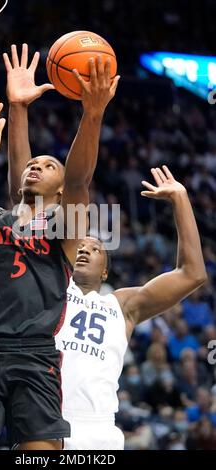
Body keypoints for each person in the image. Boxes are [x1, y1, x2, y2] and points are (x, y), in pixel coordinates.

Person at [0, 44, 119, 450]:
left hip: (36, 363)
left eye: (48, 164)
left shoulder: (66, 229)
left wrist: (92, 117)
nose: (37, 165)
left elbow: (78, 183)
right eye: (33, 163)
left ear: (58, 190)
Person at [55, 166, 207, 450]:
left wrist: (181, 199)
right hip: (46, 419)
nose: (85, 249)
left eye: (95, 248)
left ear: (105, 273)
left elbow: (192, 274)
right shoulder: (49, 288)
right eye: (80, 245)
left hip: (100, 428)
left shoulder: (122, 305)